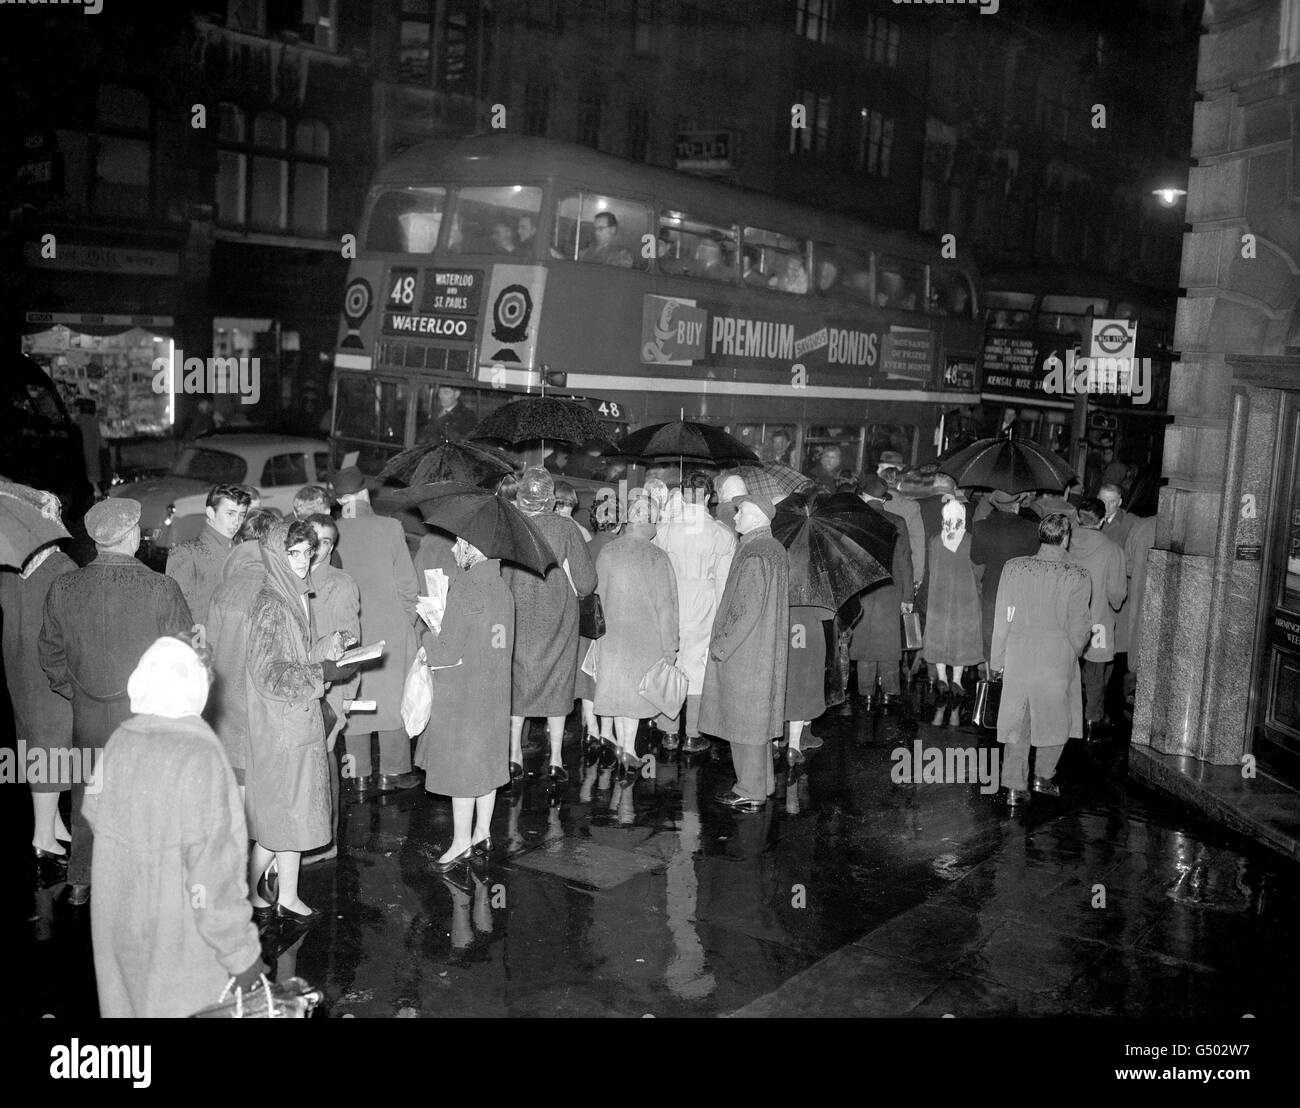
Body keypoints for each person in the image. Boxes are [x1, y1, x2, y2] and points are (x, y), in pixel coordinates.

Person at [84, 636, 267, 1016]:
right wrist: (243, 958)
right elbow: (214, 877)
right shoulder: (201, 754)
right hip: (182, 956)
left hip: (123, 940)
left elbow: (95, 815)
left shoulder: (118, 742)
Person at [39, 498, 193, 907]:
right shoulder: (161, 588)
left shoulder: (64, 587)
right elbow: (185, 658)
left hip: (87, 716)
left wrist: (77, 692)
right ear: (130, 536)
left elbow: (51, 655)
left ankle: (81, 882)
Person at [245, 520, 357, 924]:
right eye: (294, 552)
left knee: (289, 818)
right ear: (277, 553)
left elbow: (298, 655)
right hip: (281, 728)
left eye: (307, 552)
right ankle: (253, 894)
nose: (302, 560)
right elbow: (271, 674)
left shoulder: (290, 596)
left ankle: (287, 895)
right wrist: (324, 673)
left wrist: (330, 647)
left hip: (295, 723)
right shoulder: (272, 603)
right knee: (277, 823)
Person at [415, 535, 515, 873]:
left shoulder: (466, 589)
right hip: (495, 690)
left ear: (475, 548)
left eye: (460, 544)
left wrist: (428, 634)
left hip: (464, 693)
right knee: (485, 763)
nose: (455, 550)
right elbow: (494, 638)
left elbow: (446, 651)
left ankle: (460, 843)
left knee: (463, 769)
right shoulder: (502, 587)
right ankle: (483, 833)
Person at [990, 514, 1093, 805]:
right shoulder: (1078, 574)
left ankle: (1013, 785)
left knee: (1017, 719)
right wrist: (1075, 650)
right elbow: (1079, 626)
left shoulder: (1014, 567)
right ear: (1066, 538)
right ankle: (1043, 776)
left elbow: (1003, 616)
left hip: (1019, 653)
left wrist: (997, 659)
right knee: (1056, 718)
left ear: (1041, 536)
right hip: (1056, 657)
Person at [332, 466, 422, 794]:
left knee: (354, 698)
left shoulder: (333, 532)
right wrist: (408, 620)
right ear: (365, 493)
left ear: (340, 500)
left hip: (348, 629)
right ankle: (393, 772)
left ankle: (356, 773)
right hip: (390, 628)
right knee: (390, 698)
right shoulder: (390, 527)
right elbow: (408, 586)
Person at [503, 468, 597, 783]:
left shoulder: (510, 526)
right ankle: (556, 759)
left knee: (518, 679)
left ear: (521, 496)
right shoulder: (565, 528)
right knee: (558, 681)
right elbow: (586, 582)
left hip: (517, 615)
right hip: (558, 617)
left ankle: (513, 755)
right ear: (550, 499)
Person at [701, 493, 789, 811]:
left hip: (746, 653)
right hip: (763, 649)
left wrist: (722, 645)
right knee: (758, 722)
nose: (735, 516)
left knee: (743, 723)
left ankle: (749, 791)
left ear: (756, 516)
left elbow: (745, 609)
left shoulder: (754, 553)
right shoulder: (773, 548)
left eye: (741, 512)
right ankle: (761, 783)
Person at [1, 525, 76, 874]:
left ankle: (52, 825)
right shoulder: (61, 568)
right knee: (54, 746)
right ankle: (42, 837)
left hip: (18, 667)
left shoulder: (10, 571)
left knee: (32, 744)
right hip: (49, 670)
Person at [594, 497, 679, 774]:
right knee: (632, 698)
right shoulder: (657, 557)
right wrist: (670, 647)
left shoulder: (608, 551)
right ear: (650, 523)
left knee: (618, 694)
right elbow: (667, 607)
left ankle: (623, 747)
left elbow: (597, 596)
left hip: (611, 636)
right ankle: (628, 749)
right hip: (644, 638)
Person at [652, 475, 736, 754]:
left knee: (671, 660)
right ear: (710, 497)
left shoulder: (664, 531)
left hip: (671, 598)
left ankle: (668, 731)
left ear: (684, 496)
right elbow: (724, 584)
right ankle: (692, 734)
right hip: (705, 601)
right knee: (698, 666)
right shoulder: (722, 534)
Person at [206, 508, 278, 789]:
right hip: (270, 702)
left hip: (228, 703)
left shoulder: (223, 590)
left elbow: (208, 651)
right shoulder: (281, 587)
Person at [307, 513, 360, 860]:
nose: (318, 548)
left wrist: (341, 708)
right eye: (313, 538)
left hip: (327, 694)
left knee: (326, 768)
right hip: (299, 689)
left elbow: (351, 653)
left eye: (326, 542)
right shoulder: (291, 577)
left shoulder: (341, 584)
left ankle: (327, 843)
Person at [848, 475, 913, 714]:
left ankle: (865, 695)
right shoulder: (898, 521)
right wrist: (908, 597)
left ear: (863, 495)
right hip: (890, 590)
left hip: (862, 590)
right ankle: (889, 693)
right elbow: (905, 561)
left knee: (864, 644)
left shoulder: (855, 519)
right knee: (888, 644)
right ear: (882, 498)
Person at [1069, 498, 1128, 740]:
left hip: (1067, 618)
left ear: (1079, 518)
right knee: (1095, 673)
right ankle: (1092, 720)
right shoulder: (1113, 550)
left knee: (1066, 667)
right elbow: (1117, 594)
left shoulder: (1065, 543)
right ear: (1102, 521)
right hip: (1098, 621)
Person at [923, 493, 983, 726]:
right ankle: (956, 679)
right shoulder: (970, 541)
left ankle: (941, 678)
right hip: (965, 597)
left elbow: (931, 568)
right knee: (961, 636)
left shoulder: (935, 541)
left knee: (939, 634)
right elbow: (978, 570)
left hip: (939, 595)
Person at [969, 490, 1041, 664]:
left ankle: (992, 677)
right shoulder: (1032, 529)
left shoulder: (981, 527)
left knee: (992, 636)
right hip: (1022, 592)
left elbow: (976, 558)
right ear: (1017, 504)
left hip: (993, 590)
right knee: (1016, 637)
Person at [166, 483, 251, 626]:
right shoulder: (187, 553)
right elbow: (177, 612)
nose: (236, 522)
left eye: (241, 515)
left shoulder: (243, 551)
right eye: (230, 514)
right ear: (211, 513)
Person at [575, 505, 621, 757]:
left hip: (587, 619)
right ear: (617, 524)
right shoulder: (620, 548)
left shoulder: (587, 546)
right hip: (611, 620)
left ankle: (591, 730)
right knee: (607, 676)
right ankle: (607, 731)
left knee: (587, 677)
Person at [1117, 513, 1158, 703]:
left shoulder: (1142, 525)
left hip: (1142, 596)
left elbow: (1128, 565)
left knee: (1139, 637)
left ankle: (1134, 691)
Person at [877, 453, 925, 591]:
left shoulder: (873, 503)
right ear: (899, 483)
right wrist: (917, 578)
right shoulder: (912, 507)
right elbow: (917, 545)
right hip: (901, 569)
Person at [75, 398, 104, 497]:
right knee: (93, 471)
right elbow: (99, 437)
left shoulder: (78, 420)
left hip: (80, 449)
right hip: (91, 449)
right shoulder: (93, 421)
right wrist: (104, 445)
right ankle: (97, 492)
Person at [1097, 483, 1134, 549]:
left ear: (1120, 502)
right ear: (1097, 499)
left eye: (1111, 502)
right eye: (1103, 501)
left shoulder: (1131, 522)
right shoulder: (1087, 516)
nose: (1106, 506)